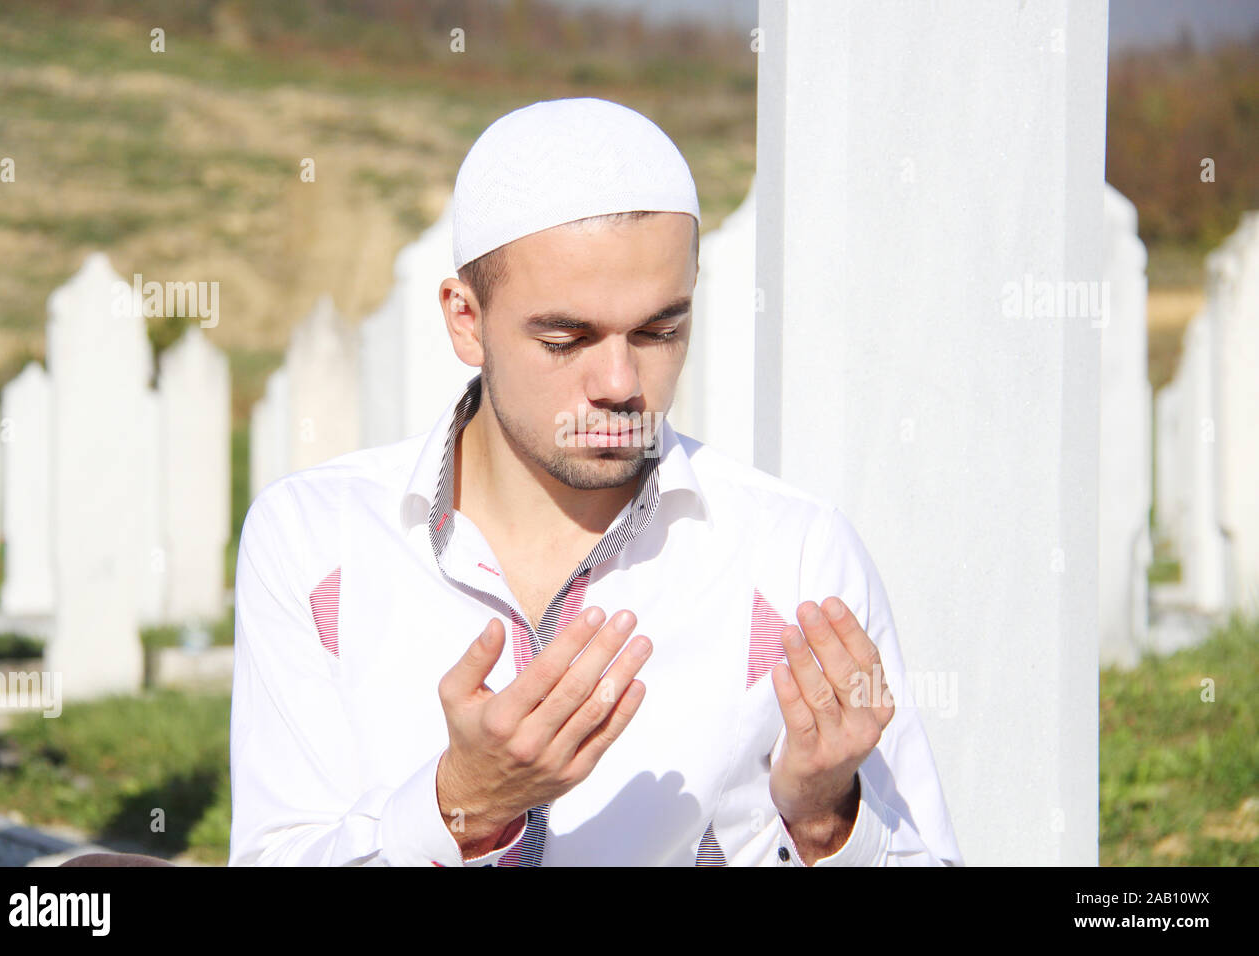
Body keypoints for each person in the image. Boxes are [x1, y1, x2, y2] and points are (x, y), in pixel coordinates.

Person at [228, 97, 962, 867]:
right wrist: (460, 805)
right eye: (565, 338)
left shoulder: (796, 556)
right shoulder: (315, 541)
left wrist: (825, 826)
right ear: (465, 320)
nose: (619, 383)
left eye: (659, 331)